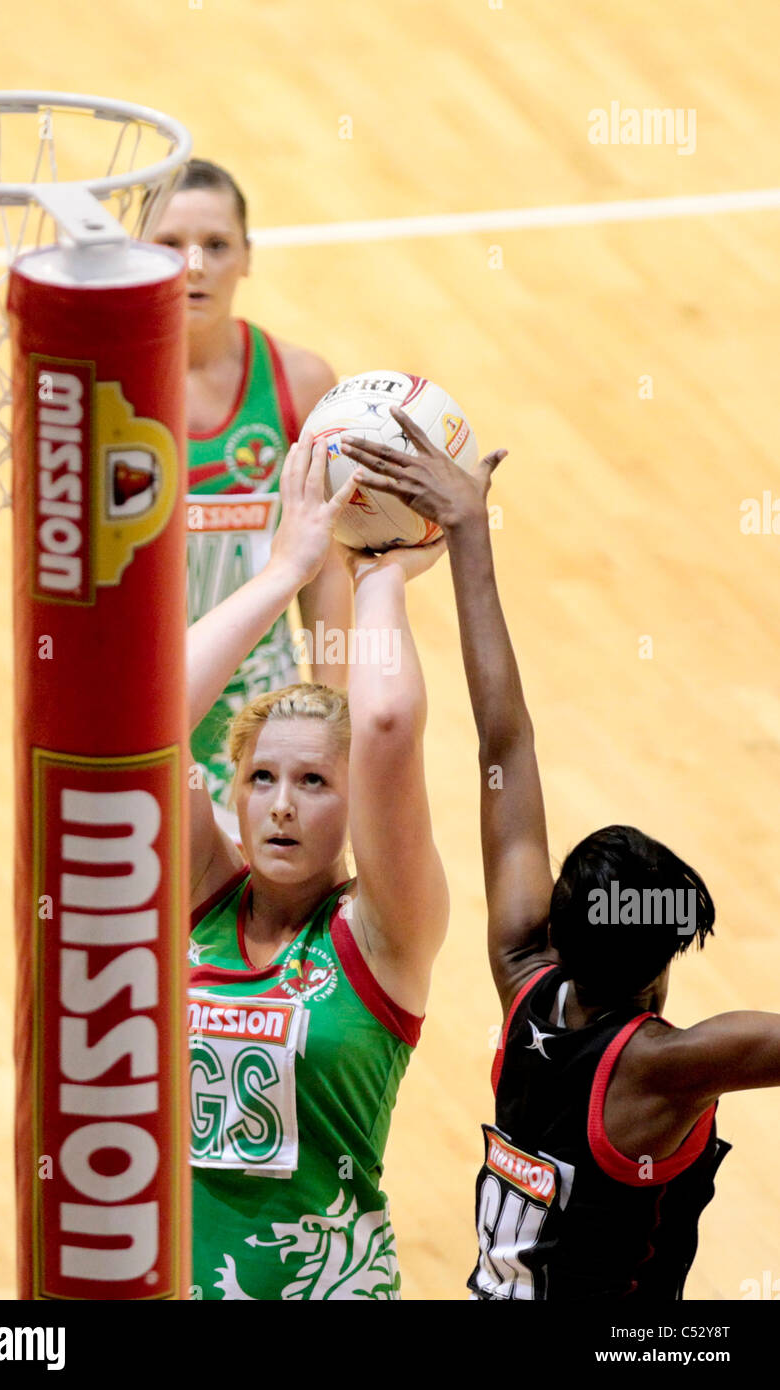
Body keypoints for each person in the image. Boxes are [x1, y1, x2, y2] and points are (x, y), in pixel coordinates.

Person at [342, 410, 780, 1301]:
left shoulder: (523, 975)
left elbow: (504, 744)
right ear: (669, 951)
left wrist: (469, 530)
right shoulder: (662, 1066)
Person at [185, 431, 449, 1299]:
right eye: (262, 777)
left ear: (356, 802)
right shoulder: (197, 900)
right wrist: (284, 571)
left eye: (313, 781)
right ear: (236, 789)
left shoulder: (382, 932)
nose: (284, 803)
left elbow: (380, 729)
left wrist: (378, 575)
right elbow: (134, 719)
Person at [151, 159, 351, 838]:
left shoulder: (299, 381)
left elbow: (328, 569)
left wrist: (333, 721)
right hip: (150, 708)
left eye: (215, 244)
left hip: (262, 724)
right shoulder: (100, 392)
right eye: (169, 245)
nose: (194, 264)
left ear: (247, 256)